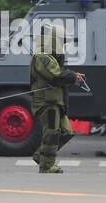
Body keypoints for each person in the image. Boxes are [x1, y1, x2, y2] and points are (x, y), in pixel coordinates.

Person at [30, 25, 83, 174]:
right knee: (52, 132)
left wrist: (72, 76)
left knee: (66, 131)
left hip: (55, 101)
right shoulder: (42, 56)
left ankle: (41, 156)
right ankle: (46, 165)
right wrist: (72, 76)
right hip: (47, 102)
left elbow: (59, 74)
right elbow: (56, 75)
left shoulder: (51, 57)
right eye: (62, 40)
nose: (64, 44)